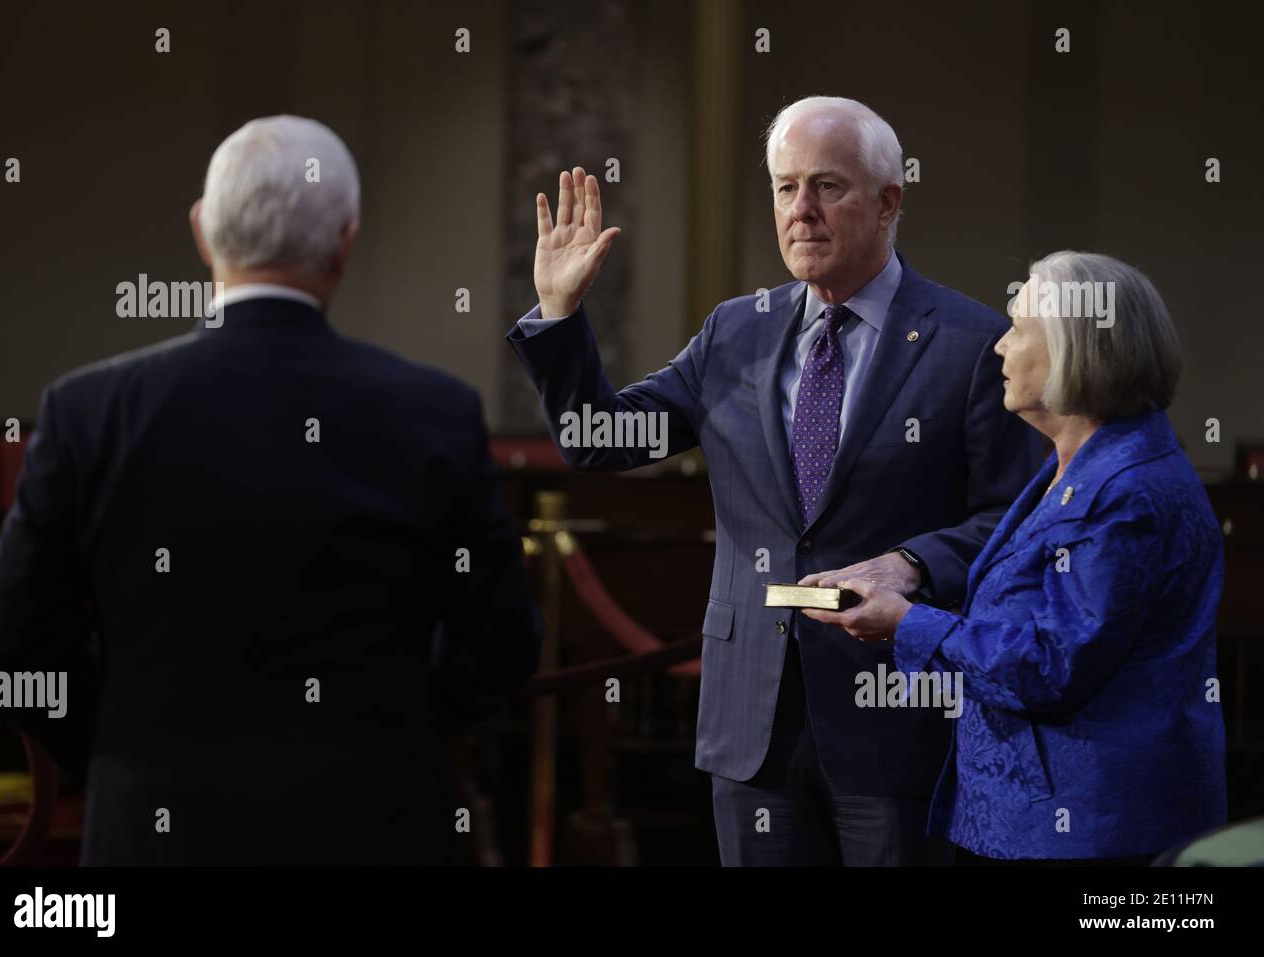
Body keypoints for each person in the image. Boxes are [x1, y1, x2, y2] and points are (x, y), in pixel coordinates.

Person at [0, 115, 542, 865]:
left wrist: (119, 739)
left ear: (204, 232)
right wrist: (392, 724)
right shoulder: (434, 412)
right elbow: (501, 645)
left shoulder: (89, 412)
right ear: (346, 239)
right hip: (376, 825)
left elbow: (5, 647)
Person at [508, 96, 1041, 865]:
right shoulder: (738, 329)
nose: (801, 211)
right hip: (751, 722)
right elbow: (603, 441)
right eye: (785, 187)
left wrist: (913, 563)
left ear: (889, 201)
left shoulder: (970, 343)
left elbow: (1011, 520)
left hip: (894, 720)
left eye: (827, 187)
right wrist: (559, 316)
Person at [806, 251, 1227, 864]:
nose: (1000, 347)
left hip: (1091, 830)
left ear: (1073, 347)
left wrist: (905, 622)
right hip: (1045, 814)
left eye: (1018, 328)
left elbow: (1051, 666)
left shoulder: (1126, 492)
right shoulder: (1080, 462)